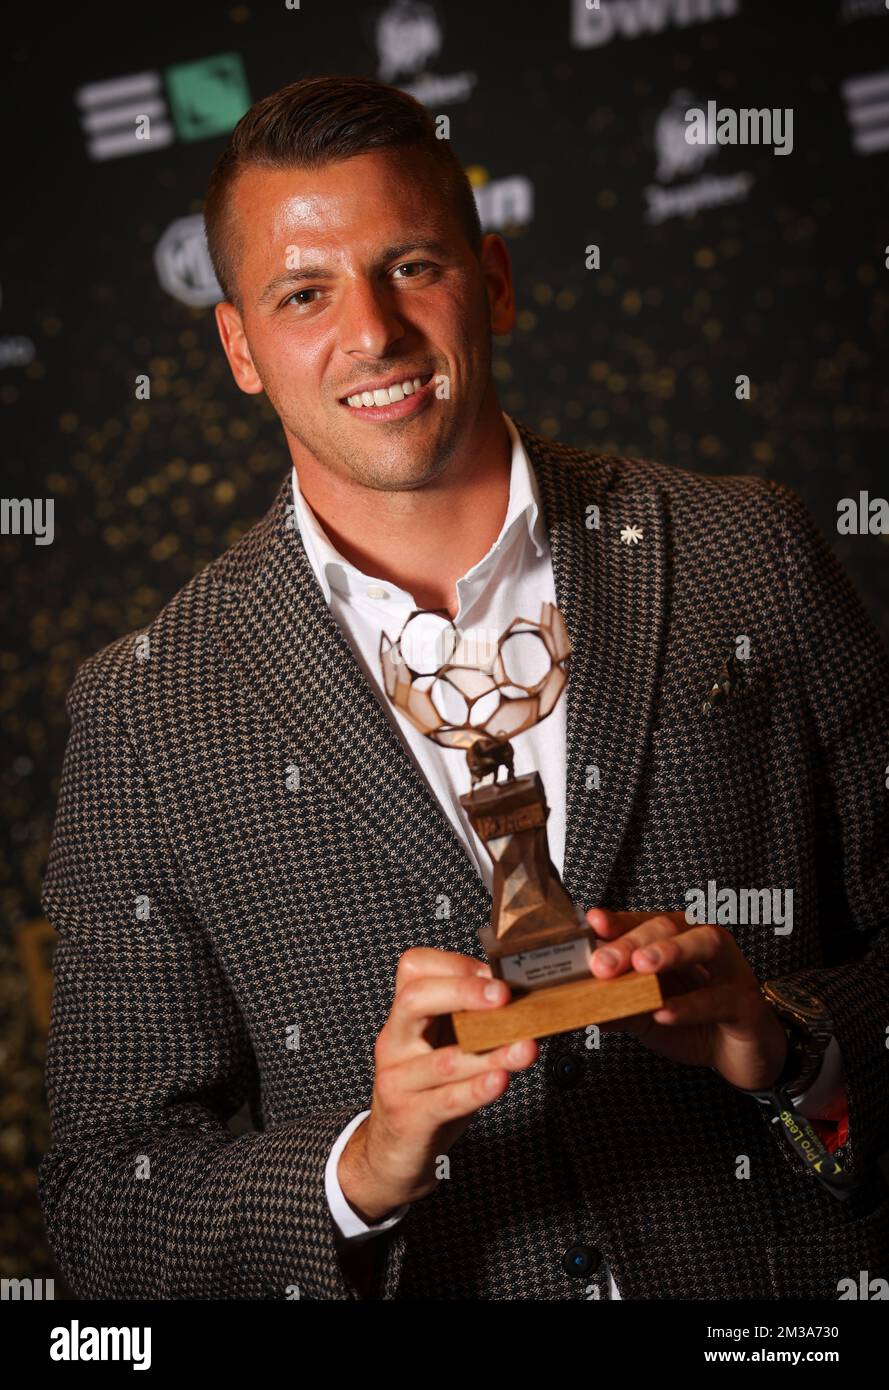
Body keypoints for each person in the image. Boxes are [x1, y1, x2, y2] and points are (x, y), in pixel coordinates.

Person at [39, 75, 889, 1301]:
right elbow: (108, 1206)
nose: (372, 333)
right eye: (303, 294)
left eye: (411, 267)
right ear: (238, 345)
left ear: (492, 279)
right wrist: (362, 1164)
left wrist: (789, 1041)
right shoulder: (147, 711)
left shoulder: (743, 552)